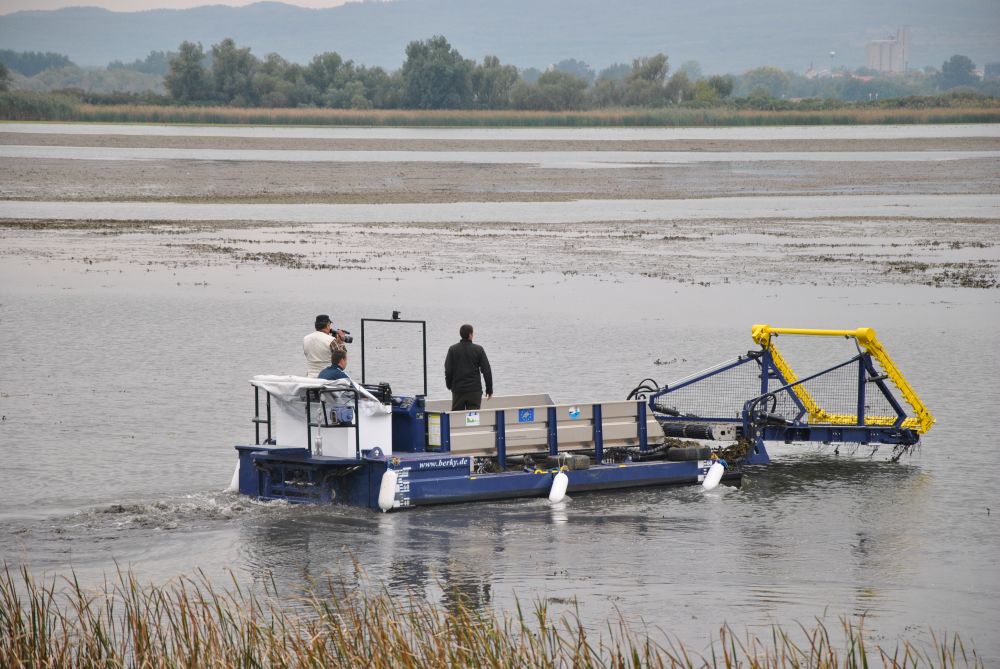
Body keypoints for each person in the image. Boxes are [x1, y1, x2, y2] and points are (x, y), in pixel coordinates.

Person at [444, 323, 493, 411]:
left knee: (457, 418)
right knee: (473, 420)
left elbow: (448, 370)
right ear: (470, 334)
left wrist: (449, 385)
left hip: (458, 390)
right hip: (474, 391)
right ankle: (472, 424)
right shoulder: (479, 349)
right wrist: (489, 389)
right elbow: (486, 371)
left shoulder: (452, 349)